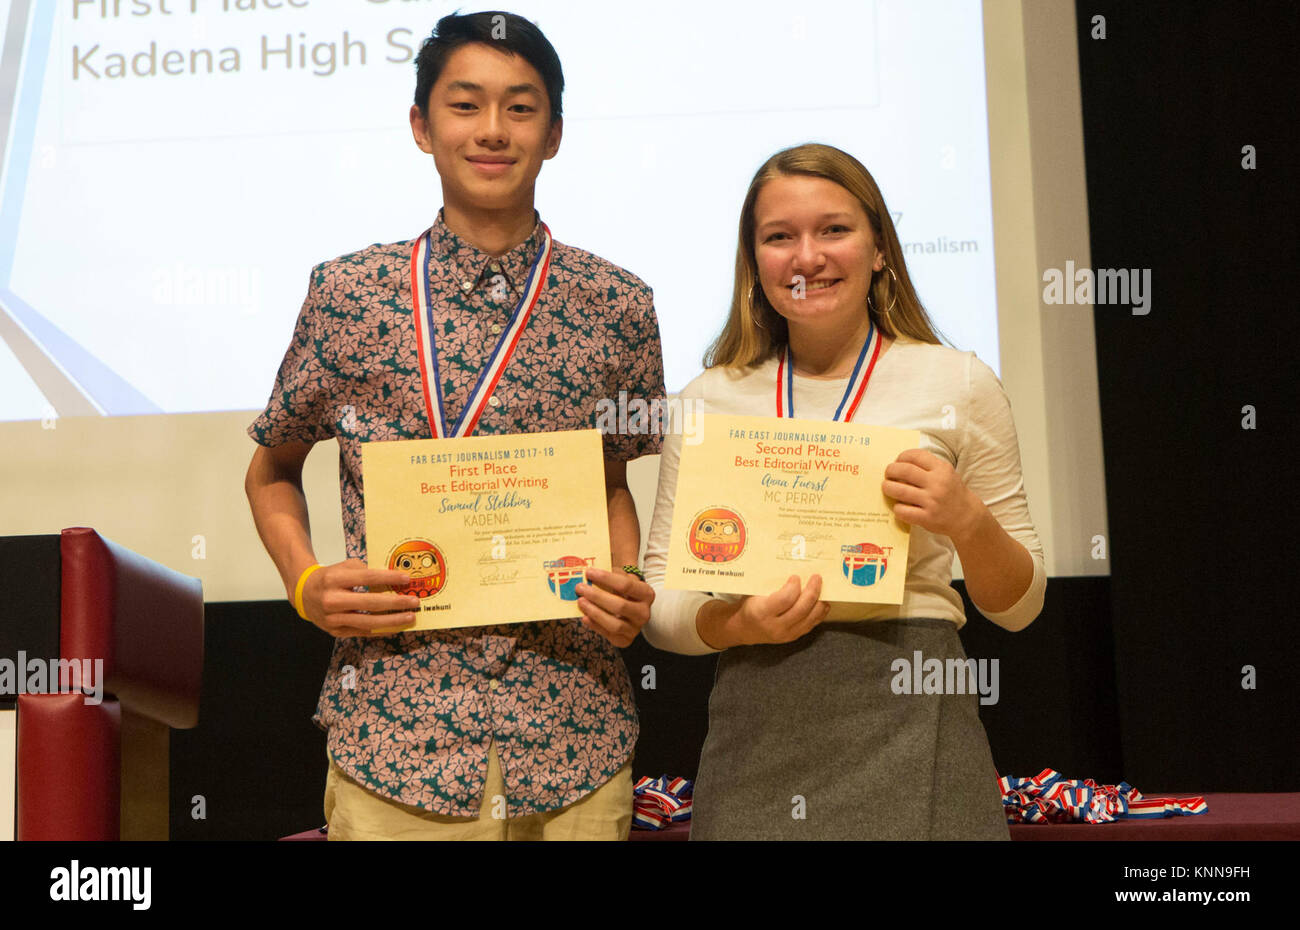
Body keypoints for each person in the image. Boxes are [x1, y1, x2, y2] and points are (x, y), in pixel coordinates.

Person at [244, 11, 665, 841]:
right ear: (421, 126)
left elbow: (611, 482)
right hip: (399, 732)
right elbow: (271, 470)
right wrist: (304, 584)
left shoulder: (618, 303)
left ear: (554, 134)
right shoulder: (348, 294)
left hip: (572, 731)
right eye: (466, 105)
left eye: (521, 107)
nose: (493, 131)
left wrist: (623, 582)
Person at [641, 143, 1046, 840]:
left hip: (916, 714)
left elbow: (1022, 608)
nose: (807, 258)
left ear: (879, 248)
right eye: (779, 237)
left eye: (834, 229)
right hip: (759, 722)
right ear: (754, 260)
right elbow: (660, 602)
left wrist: (969, 523)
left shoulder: (959, 384)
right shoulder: (709, 400)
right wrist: (733, 626)